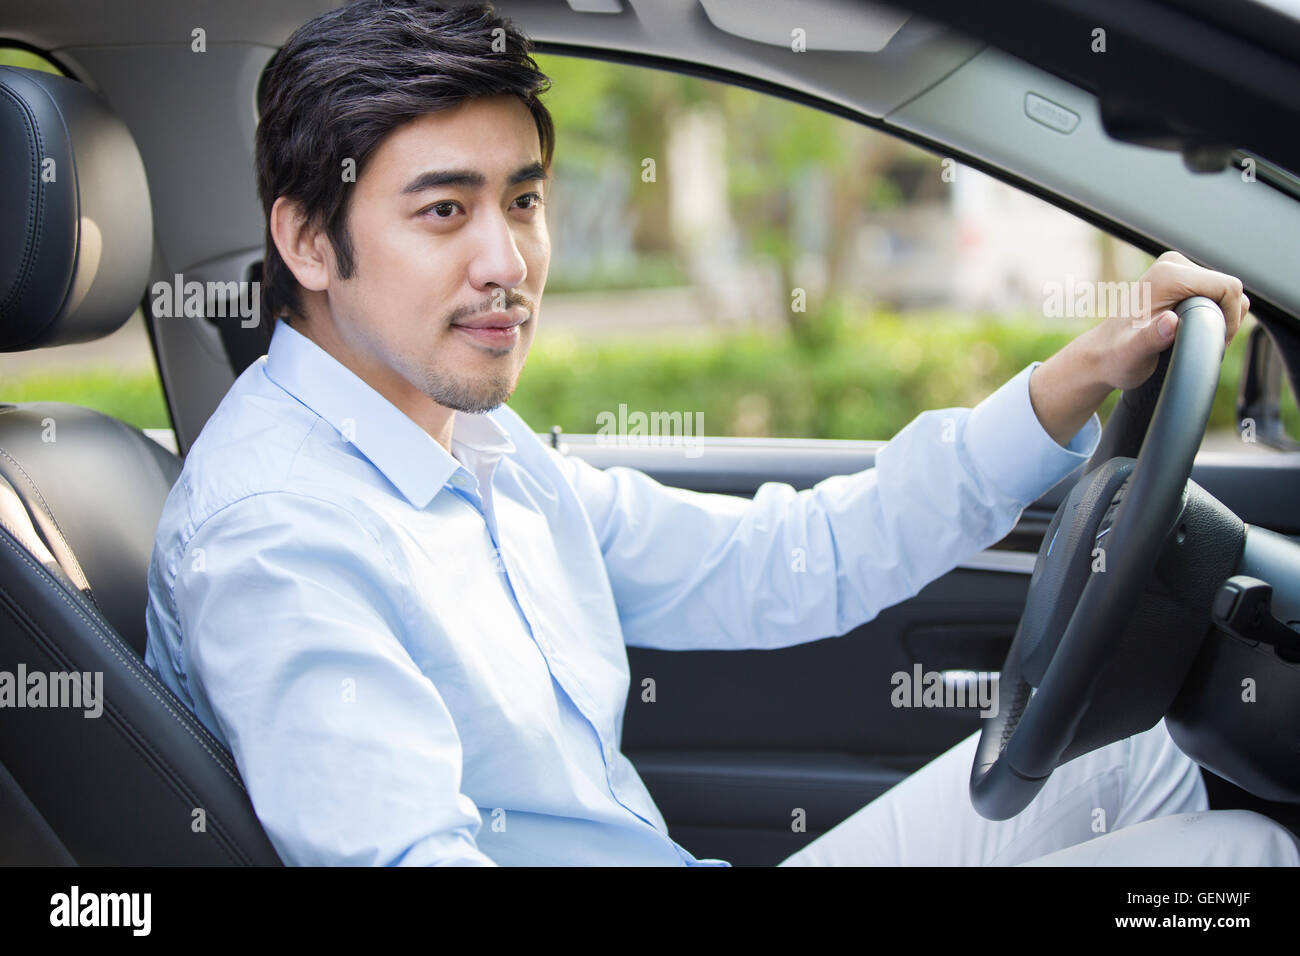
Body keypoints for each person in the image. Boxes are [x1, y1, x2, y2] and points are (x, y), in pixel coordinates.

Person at [143, 0, 1297, 866]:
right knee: (1237, 863)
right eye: (444, 209)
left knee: (1138, 748)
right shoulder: (279, 536)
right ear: (306, 241)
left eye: (526, 200)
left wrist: (1064, 387)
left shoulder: (470, 443)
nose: (506, 264)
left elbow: (775, 563)